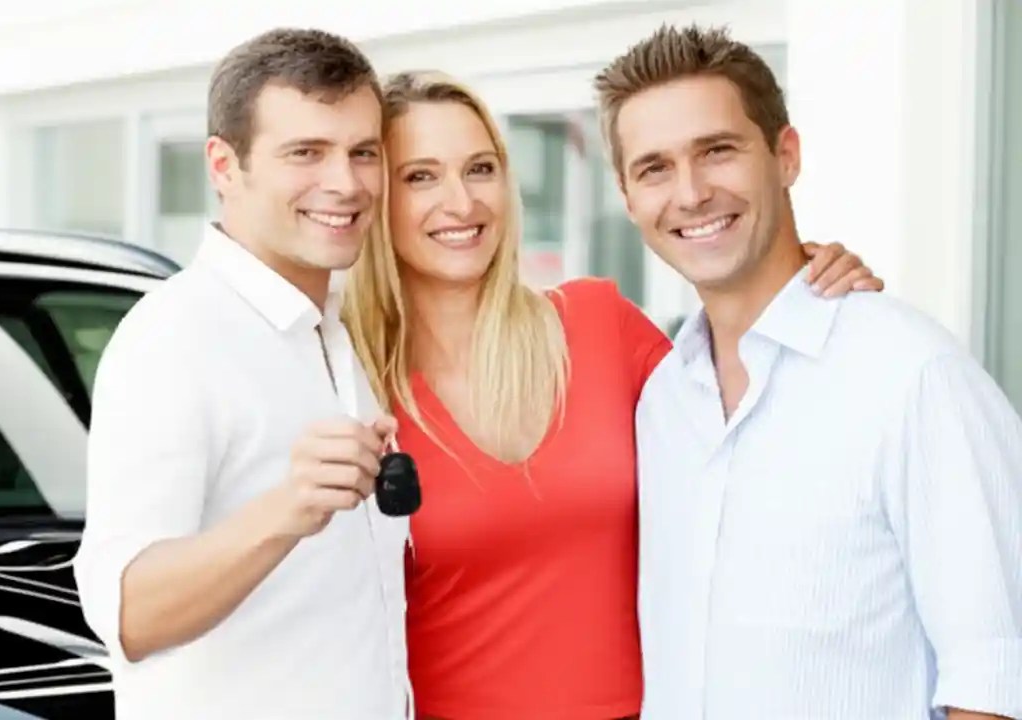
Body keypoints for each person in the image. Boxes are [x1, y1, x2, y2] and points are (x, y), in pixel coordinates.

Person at [341, 69, 882, 719]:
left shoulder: (597, 324)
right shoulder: (350, 382)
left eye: (480, 168)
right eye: (420, 176)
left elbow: (760, 424)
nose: (461, 202)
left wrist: (798, 281)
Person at [595, 24, 1022, 720]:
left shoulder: (914, 378)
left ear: (785, 155)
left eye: (718, 151)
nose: (692, 192)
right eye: (655, 168)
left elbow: (997, 676)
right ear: (627, 194)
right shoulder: (663, 402)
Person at [73, 28, 412, 719]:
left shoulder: (345, 330)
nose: (344, 183)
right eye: (306, 153)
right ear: (225, 166)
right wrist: (287, 510)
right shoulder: (170, 340)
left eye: (362, 153)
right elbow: (128, 614)